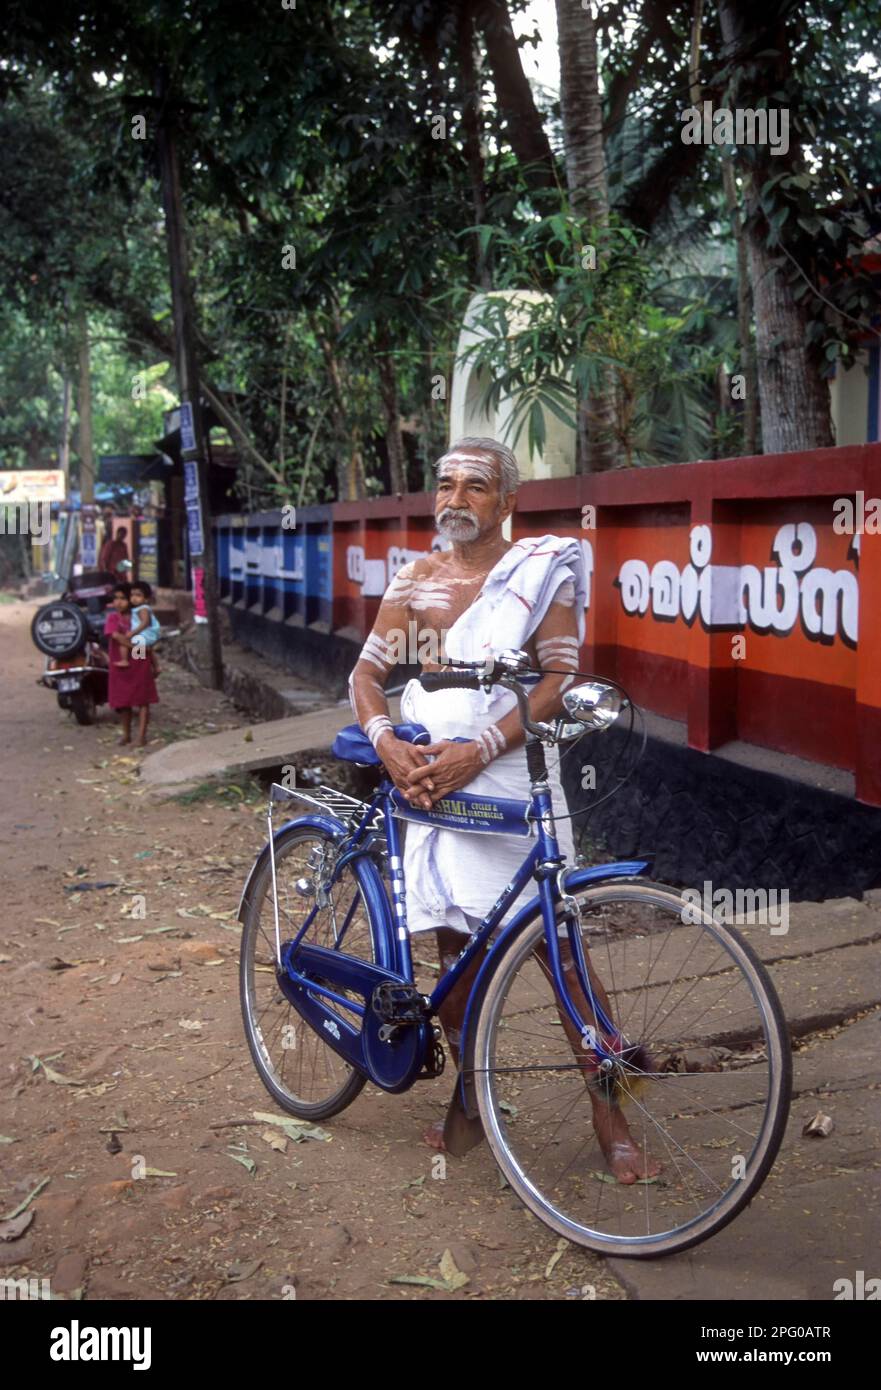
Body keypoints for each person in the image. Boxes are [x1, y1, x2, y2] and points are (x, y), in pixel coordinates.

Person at [348, 436, 659, 1185]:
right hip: (426, 775)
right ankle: (472, 1097)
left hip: (508, 776)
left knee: (564, 955)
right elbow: (365, 674)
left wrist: (480, 747)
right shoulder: (416, 580)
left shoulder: (539, 568)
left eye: (475, 487)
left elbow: (556, 679)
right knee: (456, 952)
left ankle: (610, 1114)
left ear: (508, 502)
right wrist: (387, 741)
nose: (455, 499)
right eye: (445, 484)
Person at [103, 583, 159, 747]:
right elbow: (116, 637)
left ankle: (141, 736)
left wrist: (153, 662)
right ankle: (126, 734)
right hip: (121, 662)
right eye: (116, 599)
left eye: (123, 598)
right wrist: (137, 646)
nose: (119, 602)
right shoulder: (113, 618)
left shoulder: (139, 617)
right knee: (123, 701)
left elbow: (149, 639)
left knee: (143, 700)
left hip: (139, 659)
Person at [112, 581, 161, 677]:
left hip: (146, 634)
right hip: (146, 634)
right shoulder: (138, 608)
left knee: (124, 642)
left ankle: (125, 660)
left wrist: (133, 633)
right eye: (132, 595)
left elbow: (145, 623)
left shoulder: (143, 609)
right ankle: (156, 667)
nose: (134, 598)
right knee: (148, 650)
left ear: (146, 598)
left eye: (138, 595)